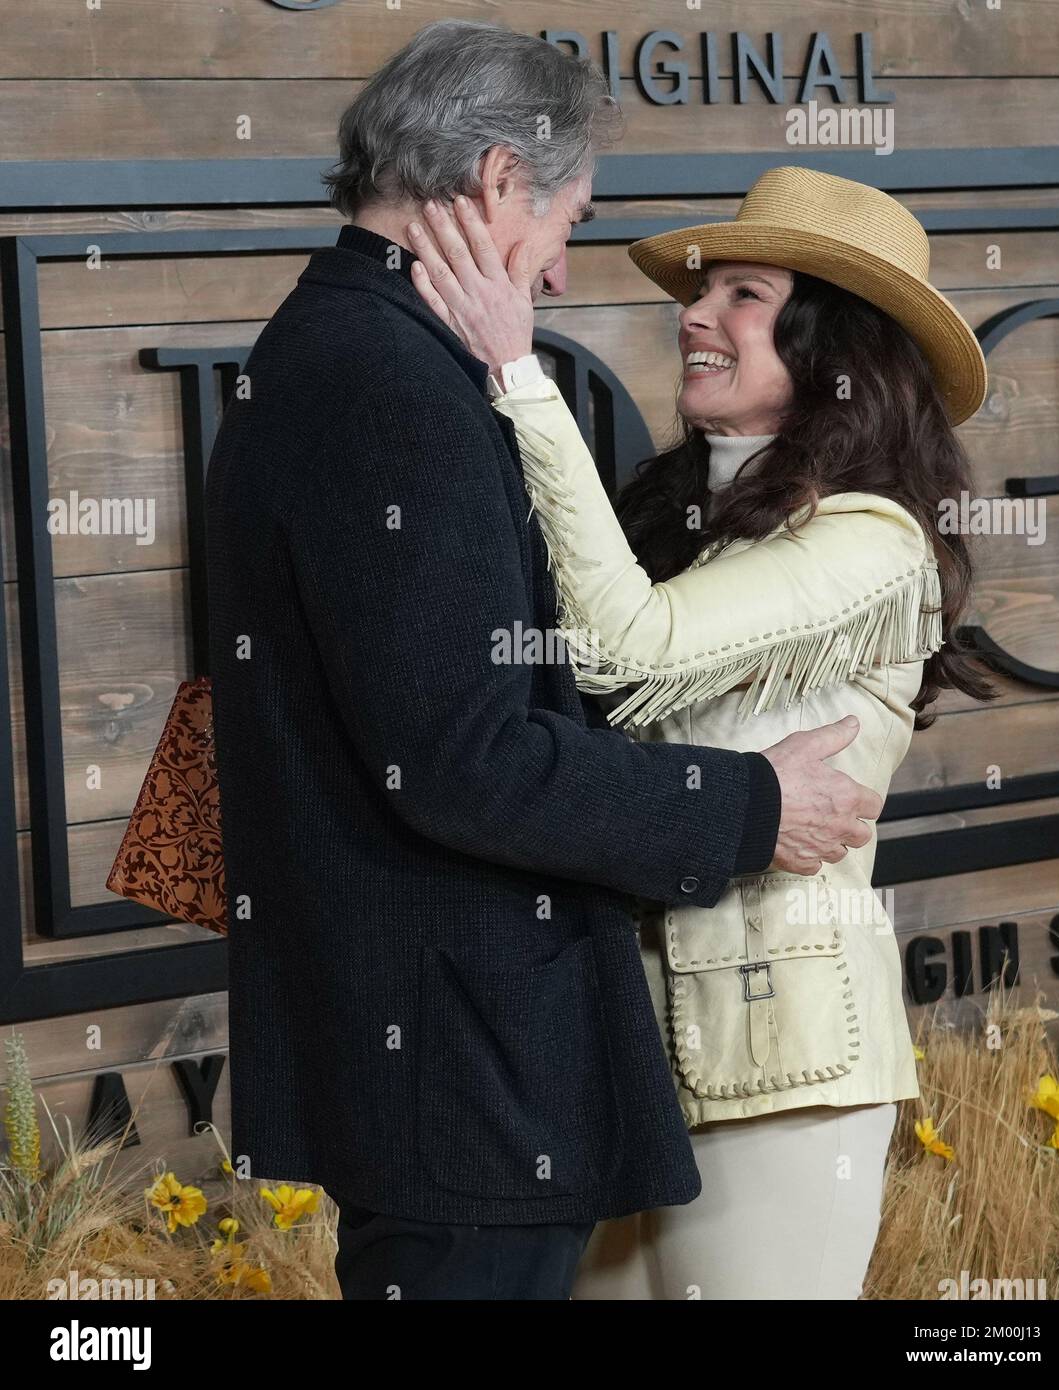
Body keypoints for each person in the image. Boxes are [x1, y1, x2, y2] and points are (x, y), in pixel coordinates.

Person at [203, 28, 880, 1301]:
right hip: (464, 1073)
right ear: (500, 182)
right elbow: (465, 760)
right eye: (566, 219)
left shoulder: (331, 347)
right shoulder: (396, 386)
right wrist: (751, 805)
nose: (561, 269)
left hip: (434, 1055)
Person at [408, 164, 993, 1299]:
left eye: (742, 296)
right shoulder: (679, 521)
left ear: (834, 351)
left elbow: (634, 652)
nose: (694, 315)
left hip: (783, 1073)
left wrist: (516, 373)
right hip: (620, 1057)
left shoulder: (875, 541)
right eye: (701, 291)